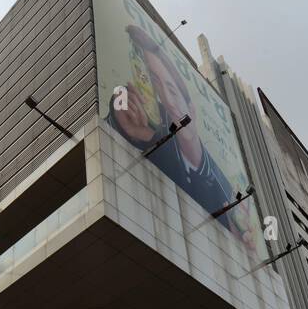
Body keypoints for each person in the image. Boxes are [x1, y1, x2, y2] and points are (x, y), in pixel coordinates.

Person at [107, 24, 256, 250]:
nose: (167, 99)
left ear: (192, 110)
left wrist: (246, 247)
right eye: (154, 83)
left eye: (173, 90)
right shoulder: (151, 137)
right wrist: (127, 124)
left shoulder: (224, 186)